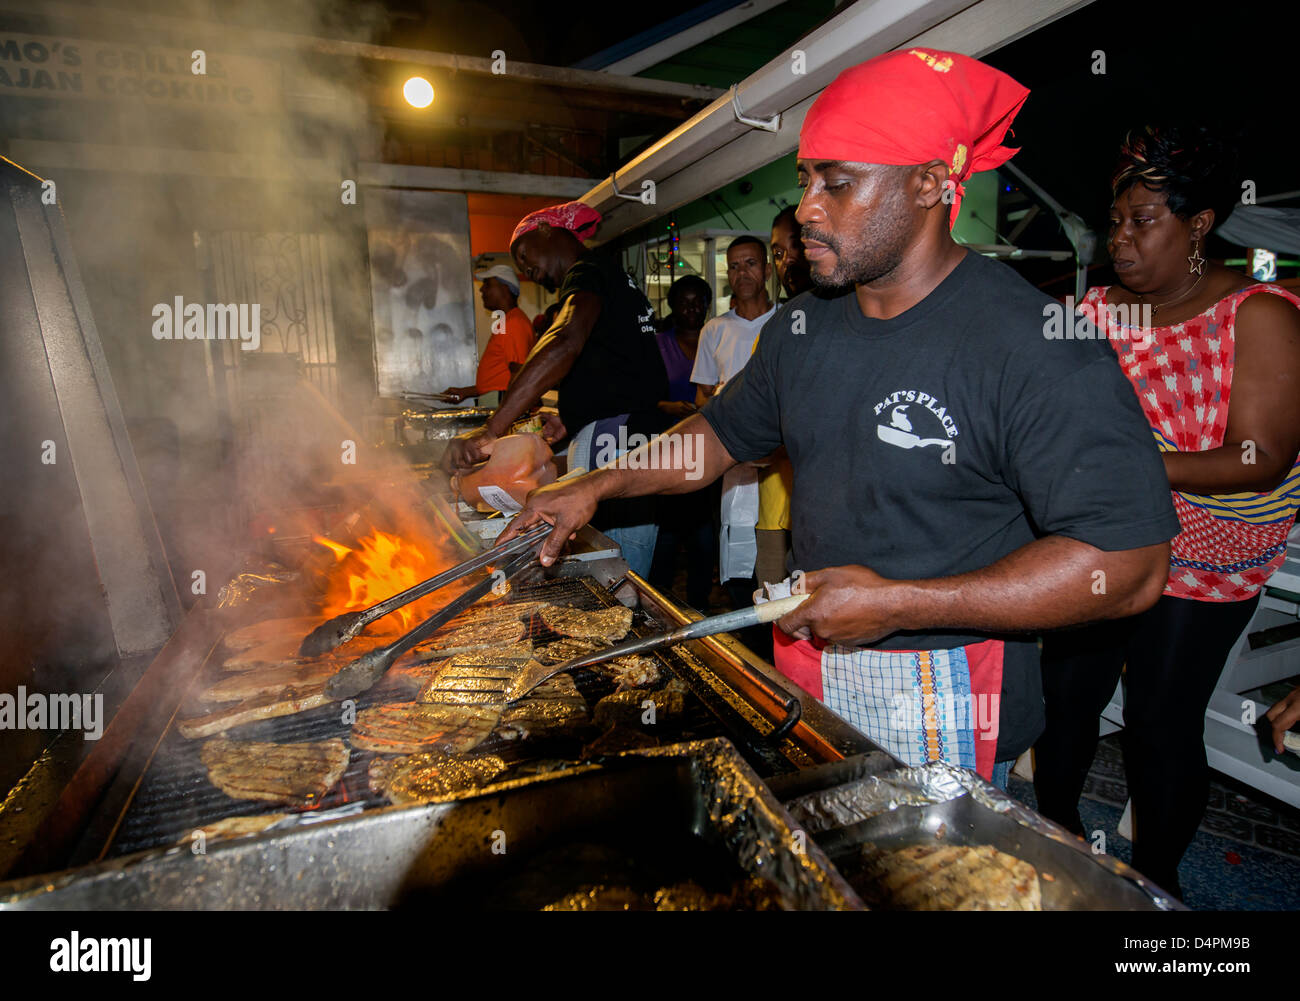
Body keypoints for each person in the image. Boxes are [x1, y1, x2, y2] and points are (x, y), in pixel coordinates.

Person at [496, 48, 1175, 792]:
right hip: (812, 664)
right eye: (807, 180)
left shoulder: (1034, 341)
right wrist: (594, 483)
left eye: (838, 183)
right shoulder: (801, 329)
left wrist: (898, 603)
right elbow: (719, 436)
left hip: (950, 683)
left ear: (929, 184)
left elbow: (1131, 566)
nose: (808, 209)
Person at [1032, 125, 1300, 898]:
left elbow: (1260, 456)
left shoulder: (1259, 312)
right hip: (1106, 533)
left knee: (1158, 721)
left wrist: (1120, 467)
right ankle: (1053, 832)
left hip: (1210, 547)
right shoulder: (1093, 310)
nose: (1121, 239)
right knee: (1068, 694)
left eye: (1143, 221)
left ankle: (1156, 883)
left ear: (1200, 224)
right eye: (1116, 222)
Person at [443, 201, 668, 578]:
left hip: (617, 438)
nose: (526, 270)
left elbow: (565, 340)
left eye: (524, 255)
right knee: (610, 561)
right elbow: (617, 365)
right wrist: (572, 415)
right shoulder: (612, 277)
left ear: (548, 231)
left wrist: (493, 429)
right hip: (623, 433)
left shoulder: (588, 271)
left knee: (611, 570)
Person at [691, 237, 779, 617]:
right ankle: (747, 624)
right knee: (734, 537)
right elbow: (701, 397)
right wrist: (725, 403)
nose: (743, 273)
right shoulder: (715, 329)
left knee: (776, 543)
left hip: (779, 455)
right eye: (736, 266)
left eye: (751, 263)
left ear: (767, 268)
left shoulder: (786, 320)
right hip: (731, 456)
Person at [752, 206, 815, 594]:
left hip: (826, 518)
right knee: (775, 617)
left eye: (797, 245)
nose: (787, 259)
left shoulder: (855, 319)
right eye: (777, 252)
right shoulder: (775, 332)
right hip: (777, 508)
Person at [649, 275, 715, 611]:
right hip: (668, 449)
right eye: (684, 302)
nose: (691, 308)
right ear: (673, 306)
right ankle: (658, 605)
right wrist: (669, 407)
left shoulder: (716, 336)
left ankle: (699, 607)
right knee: (667, 537)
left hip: (708, 450)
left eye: (698, 301)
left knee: (704, 538)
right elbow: (642, 398)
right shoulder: (659, 344)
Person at [440, 264, 535, 405]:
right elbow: (498, 376)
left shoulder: (514, 323)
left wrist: (507, 413)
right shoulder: (505, 321)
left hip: (503, 401)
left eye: (487, 284)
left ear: (505, 288)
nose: (482, 289)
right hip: (497, 399)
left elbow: (518, 374)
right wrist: (465, 392)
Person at [770, 205, 813, 300]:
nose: (786, 260)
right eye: (778, 254)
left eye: (796, 245)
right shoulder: (788, 313)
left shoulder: (849, 306)